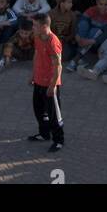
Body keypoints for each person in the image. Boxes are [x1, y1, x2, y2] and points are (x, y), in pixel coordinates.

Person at [28, 13, 64, 151]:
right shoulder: (37, 37)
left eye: (35, 25)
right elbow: (37, 55)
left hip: (50, 84)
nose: (33, 28)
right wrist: (33, 74)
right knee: (39, 110)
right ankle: (44, 134)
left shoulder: (53, 42)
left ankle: (59, 140)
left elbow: (58, 66)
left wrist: (53, 85)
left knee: (54, 114)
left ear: (44, 26)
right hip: (38, 80)